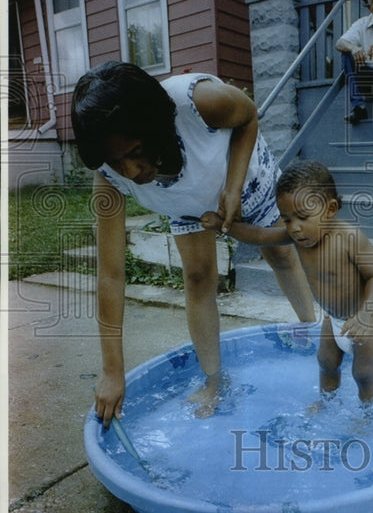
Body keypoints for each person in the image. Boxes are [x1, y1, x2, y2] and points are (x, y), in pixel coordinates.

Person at [71, 62, 316, 426]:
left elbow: (247, 115)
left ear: (154, 126)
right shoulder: (109, 177)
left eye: (136, 151)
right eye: (116, 160)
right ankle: (214, 379)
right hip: (185, 204)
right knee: (198, 278)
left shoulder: (199, 101)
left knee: (279, 253)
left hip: (242, 175)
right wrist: (111, 370)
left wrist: (232, 188)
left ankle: (311, 334)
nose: (132, 172)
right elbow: (110, 273)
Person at [201, 159, 373, 404]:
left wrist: (365, 315)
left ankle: (369, 417)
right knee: (326, 363)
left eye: (303, 217)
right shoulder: (296, 237)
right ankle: (327, 404)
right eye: (287, 219)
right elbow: (259, 236)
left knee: (363, 373)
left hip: (368, 316)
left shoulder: (349, 238)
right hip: (334, 318)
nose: (295, 228)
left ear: (330, 209)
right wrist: (223, 227)